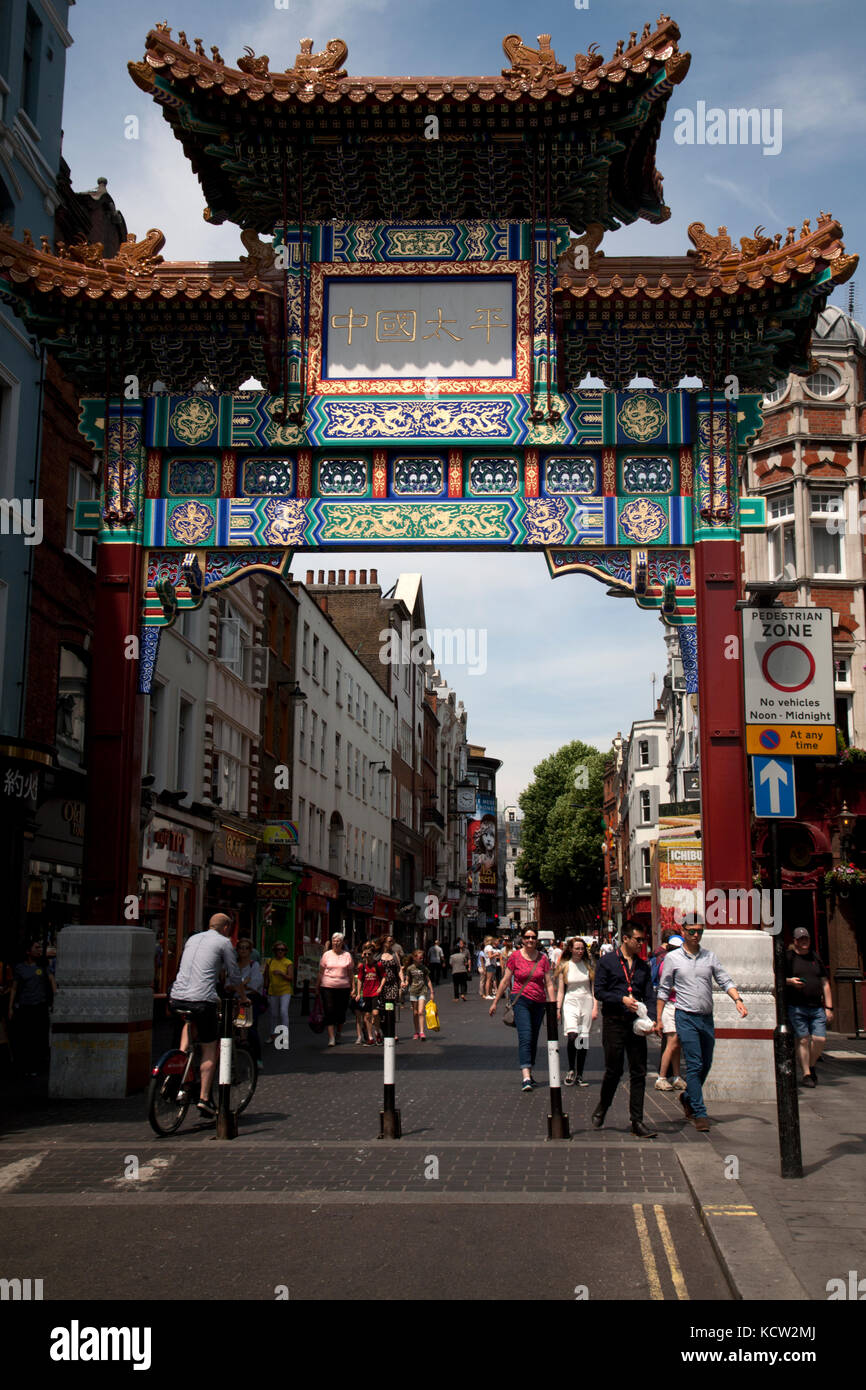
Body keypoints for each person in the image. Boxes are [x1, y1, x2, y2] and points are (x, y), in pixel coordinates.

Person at [656, 925, 747, 1131]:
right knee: (695, 1064)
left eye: (699, 931)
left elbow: (724, 979)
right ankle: (700, 1112)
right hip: (685, 1017)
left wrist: (737, 999)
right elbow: (663, 989)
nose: (696, 935)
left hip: (706, 1018)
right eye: (691, 931)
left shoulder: (709, 957)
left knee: (706, 1063)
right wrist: (659, 1018)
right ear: (684, 931)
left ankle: (687, 1097)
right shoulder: (673, 958)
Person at [169, 913, 247, 1117]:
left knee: (188, 1026)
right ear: (226, 928)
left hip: (176, 997)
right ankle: (204, 1098)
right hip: (202, 1000)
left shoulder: (193, 939)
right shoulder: (224, 942)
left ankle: (180, 1073)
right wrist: (242, 996)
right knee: (210, 1048)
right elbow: (234, 973)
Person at [591, 923, 658, 1137]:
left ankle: (637, 1121)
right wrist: (621, 999)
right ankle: (603, 1105)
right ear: (626, 939)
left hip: (636, 1024)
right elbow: (600, 992)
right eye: (638, 939)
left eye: (643, 940)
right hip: (614, 1021)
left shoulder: (643, 966)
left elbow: (649, 995)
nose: (641, 944)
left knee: (638, 1071)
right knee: (614, 1069)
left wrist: (653, 1020)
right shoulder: (607, 962)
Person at [489, 927, 556, 1092]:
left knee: (533, 1038)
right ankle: (525, 1075)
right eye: (527, 937)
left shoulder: (543, 959)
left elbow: (548, 983)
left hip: (539, 1002)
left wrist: (553, 1005)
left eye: (533, 937)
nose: (530, 940)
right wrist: (495, 1001)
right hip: (521, 1001)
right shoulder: (515, 957)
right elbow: (505, 980)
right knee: (525, 1036)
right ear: (522, 939)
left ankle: (530, 1070)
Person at [785, 926, 833, 1088]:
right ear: (795, 941)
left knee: (820, 1039)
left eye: (806, 938)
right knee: (803, 1039)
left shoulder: (815, 957)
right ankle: (806, 1073)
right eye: (801, 939)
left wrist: (829, 1007)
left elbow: (825, 983)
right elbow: (779, 978)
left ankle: (811, 1065)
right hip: (797, 1006)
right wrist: (790, 981)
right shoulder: (789, 957)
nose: (804, 941)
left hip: (816, 1006)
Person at [9, 939, 56, 1076]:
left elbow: (51, 979)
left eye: (40, 948)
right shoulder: (19, 968)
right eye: (36, 947)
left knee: (39, 1037)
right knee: (25, 1038)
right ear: (28, 951)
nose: (39, 950)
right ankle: (25, 1066)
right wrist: (10, 1007)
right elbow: (14, 988)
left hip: (40, 1006)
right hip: (25, 1007)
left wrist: (56, 996)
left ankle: (37, 1065)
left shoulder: (42, 965)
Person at [555, 937, 597, 1087]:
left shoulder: (589, 965)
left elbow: (593, 990)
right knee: (572, 1036)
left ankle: (580, 1073)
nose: (580, 951)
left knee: (583, 1039)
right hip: (570, 1002)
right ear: (570, 949)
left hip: (586, 1001)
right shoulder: (564, 966)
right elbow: (560, 991)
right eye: (577, 948)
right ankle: (571, 1069)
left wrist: (595, 1007)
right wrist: (558, 1009)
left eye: (582, 948)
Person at [653, 934, 687, 1091]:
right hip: (670, 1006)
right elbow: (665, 987)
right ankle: (661, 1077)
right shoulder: (666, 964)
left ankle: (676, 1076)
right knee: (672, 1042)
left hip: (680, 1005)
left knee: (677, 1043)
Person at [231, 937, 265, 1069]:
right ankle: (232, 1059)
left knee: (251, 1029)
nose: (243, 950)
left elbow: (255, 984)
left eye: (246, 948)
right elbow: (228, 984)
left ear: (250, 951)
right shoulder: (233, 966)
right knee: (235, 1029)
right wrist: (243, 983)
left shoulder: (254, 965)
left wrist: (239, 985)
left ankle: (257, 1058)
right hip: (235, 1001)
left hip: (250, 1001)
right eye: (241, 948)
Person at [317, 933, 354, 1047]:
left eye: (338, 941)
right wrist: (317, 986)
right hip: (327, 986)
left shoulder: (347, 955)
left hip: (343, 987)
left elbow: (351, 973)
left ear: (342, 942)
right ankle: (331, 1038)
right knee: (329, 1011)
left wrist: (353, 988)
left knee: (341, 1011)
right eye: (334, 940)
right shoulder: (326, 955)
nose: (336, 943)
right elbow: (321, 972)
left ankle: (338, 1032)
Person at [264, 940, 293, 1048]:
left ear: (285, 951)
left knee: (283, 1012)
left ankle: (284, 1037)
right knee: (273, 1014)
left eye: (282, 950)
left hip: (285, 990)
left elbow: (290, 978)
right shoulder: (270, 961)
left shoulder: (288, 962)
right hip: (273, 990)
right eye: (278, 949)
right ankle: (272, 1035)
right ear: (274, 951)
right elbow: (266, 976)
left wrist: (282, 974)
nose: (280, 951)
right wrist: (265, 988)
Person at [354, 944, 384, 1044]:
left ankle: (377, 1031)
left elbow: (384, 976)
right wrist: (358, 993)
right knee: (366, 1016)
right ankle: (370, 1037)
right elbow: (359, 980)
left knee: (375, 1013)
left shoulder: (378, 965)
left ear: (373, 954)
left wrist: (380, 987)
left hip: (375, 992)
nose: (367, 956)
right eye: (365, 954)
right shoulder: (362, 966)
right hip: (366, 993)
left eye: (369, 954)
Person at [376, 935, 403, 1041]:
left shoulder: (394, 955)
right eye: (389, 941)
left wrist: (402, 981)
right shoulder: (377, 955)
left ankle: (391, 1032)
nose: (390, 943)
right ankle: (383, 1030)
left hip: (392, 985)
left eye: (392, 941)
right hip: (380, 986)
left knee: (390, 1009)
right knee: (381, 1011)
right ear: (383, 942)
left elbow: (399, 969)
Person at [405, 950, 434, 1039]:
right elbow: (407, 979)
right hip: (413, 991)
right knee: (415, 1013)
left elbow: (428, 980)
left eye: (422, 958)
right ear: (415, 958)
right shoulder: (410, 968)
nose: (421, 959)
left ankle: (422, 1032)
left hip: (422, 991)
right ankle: (416, 1031)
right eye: (420, 958)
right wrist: (405, 984)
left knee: (421, 1012)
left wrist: (432, 992)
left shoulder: (424, 968)